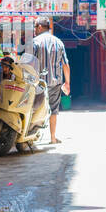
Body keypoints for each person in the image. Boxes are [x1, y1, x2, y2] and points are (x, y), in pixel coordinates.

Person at [31, 16, 69, 144]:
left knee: (33, 108)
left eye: (35, 27)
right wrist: (67, 83)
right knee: (54, 110)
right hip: (55, 82)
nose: (34, 29)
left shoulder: (34, 42)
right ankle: (53, 138)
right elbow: (65, 65)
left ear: (40, 27)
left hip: (37, 83)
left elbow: (29, 63)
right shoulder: (59, 42)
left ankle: (30, 137)